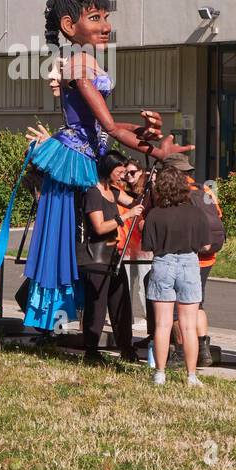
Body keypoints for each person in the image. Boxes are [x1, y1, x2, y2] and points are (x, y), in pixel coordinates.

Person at [20, 0, 191, 332]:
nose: (105, 26)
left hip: (87, 152)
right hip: (76, 158)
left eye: (105, 17)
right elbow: (110, 127)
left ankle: (76, 320)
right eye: (95, 18)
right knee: (76, 236)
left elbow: (104, 124)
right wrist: (156, 150)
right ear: (70, 26)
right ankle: (57, 316)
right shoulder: (79, 64)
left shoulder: (83, 62)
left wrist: (141, 132)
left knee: (83, 237)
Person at [144, 167, 211, 386]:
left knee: (162, 324)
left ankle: (160, 373)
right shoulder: (196, 213)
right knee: (188, 325)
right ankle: (191, 375)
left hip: (163, 262)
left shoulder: (154, 215)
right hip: (189, 263)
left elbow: (149, 245)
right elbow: (206, 245)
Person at [160, 153, 224, 368]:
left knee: (179, 306)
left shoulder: (178, 193)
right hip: (209, 254)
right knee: (198, 302)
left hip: (188, 254)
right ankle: (203, 351)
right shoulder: (206, 190)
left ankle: (180, 352)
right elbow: (218, 215)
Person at [80, 152, 141, 362]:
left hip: (114, 254)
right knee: (97, 303)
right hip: (96, 255)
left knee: (121, 300)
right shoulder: (93, 193)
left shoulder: (113, 191)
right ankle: (91, 348)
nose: (122, 176)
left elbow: (134, 202)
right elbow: (99, 227)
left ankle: (126, 346)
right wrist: (124, 217)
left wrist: (144, 187)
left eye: (125, 172)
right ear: (108, 168)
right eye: (120, 171)